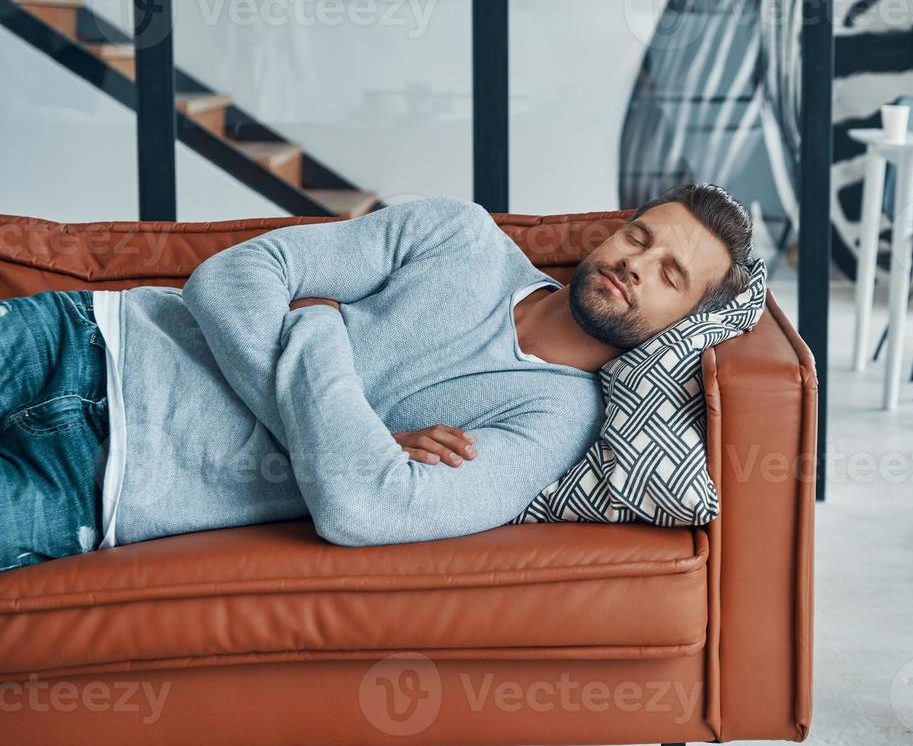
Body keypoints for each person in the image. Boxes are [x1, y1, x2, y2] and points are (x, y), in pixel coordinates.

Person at [0, 184, 753, 572]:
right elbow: (235, 275)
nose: (634, 263)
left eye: (669, 274)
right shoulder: (460, 236)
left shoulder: (556, 422)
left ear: (679, 322)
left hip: (101, 488)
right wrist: (346, 437)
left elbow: (364, 506)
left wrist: (319, 328)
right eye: (638, 237)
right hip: (85, 337)